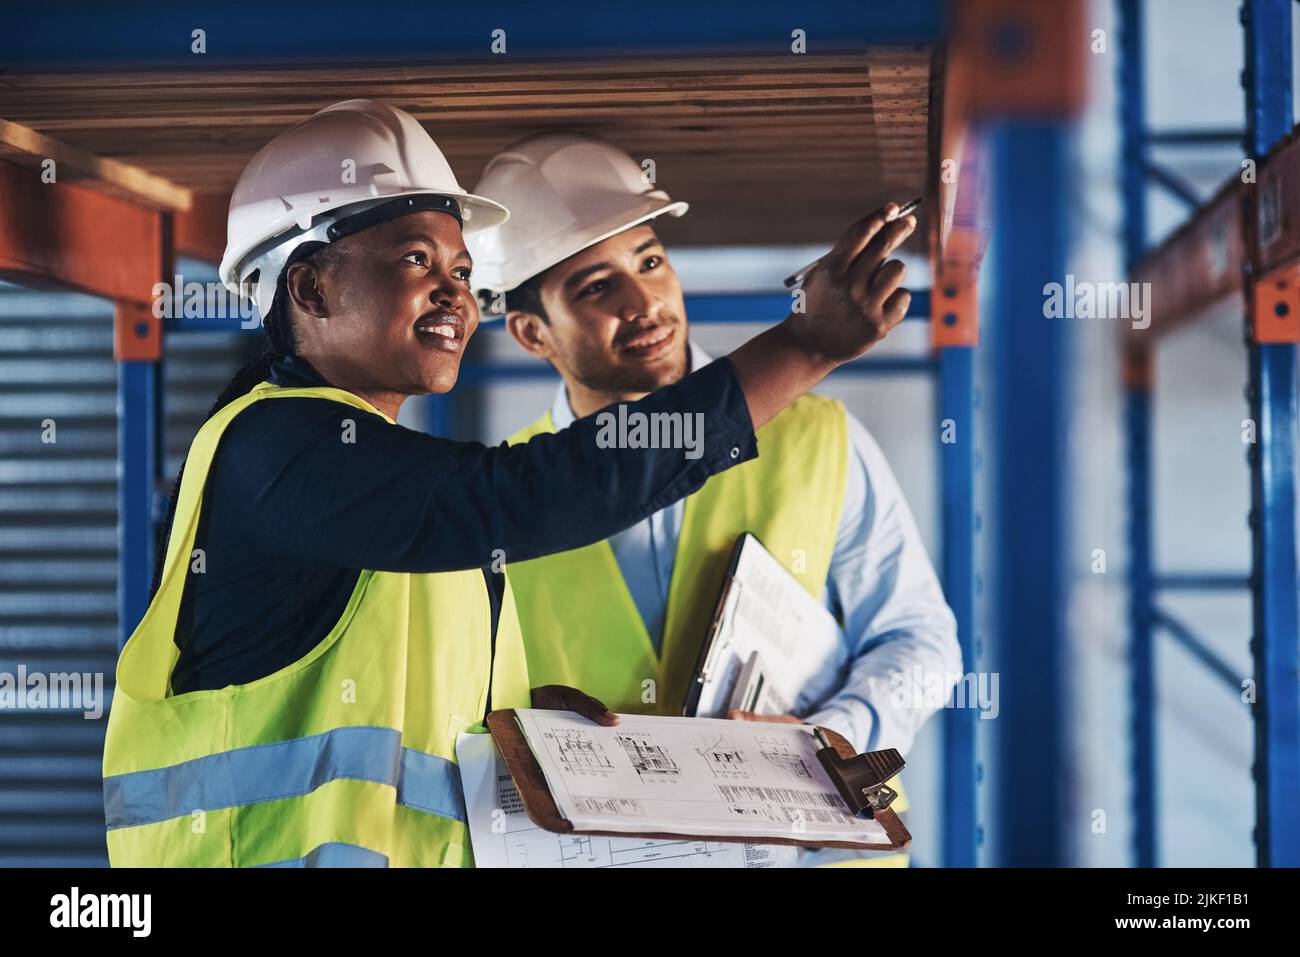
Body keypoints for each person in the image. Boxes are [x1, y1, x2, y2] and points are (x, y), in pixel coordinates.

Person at [100, 102, 915, 868]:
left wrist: (535, 733)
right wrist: (804, 346)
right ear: (310, 287)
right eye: (417, 260)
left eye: (460, 268)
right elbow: (523, 495)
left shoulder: (376, 464)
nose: (455, 292)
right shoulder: (276, 447)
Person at [468, 133, 962, 867]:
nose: (645, 304)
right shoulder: (501, 493)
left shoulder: (819, 437)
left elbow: (922, 641)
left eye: (651, 263)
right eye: (596, 287)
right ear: (532, 332)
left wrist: (832, 737)